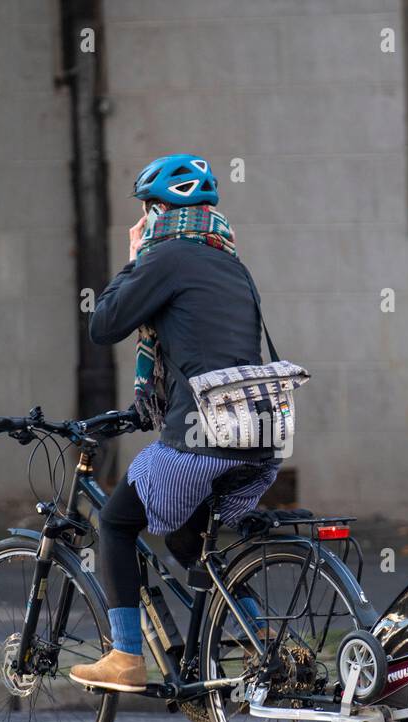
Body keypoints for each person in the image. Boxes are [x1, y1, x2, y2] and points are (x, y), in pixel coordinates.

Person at [70, 154, 279, 692]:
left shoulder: (167, 257)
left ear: (158, 209)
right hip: (259, 433)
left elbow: (104, 323)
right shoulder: (229, 260)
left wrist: (134, 256)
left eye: (147, 210)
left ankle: (125, 658)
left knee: (115, 524)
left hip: (204, 433)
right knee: (189, 541)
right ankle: (271, 644)